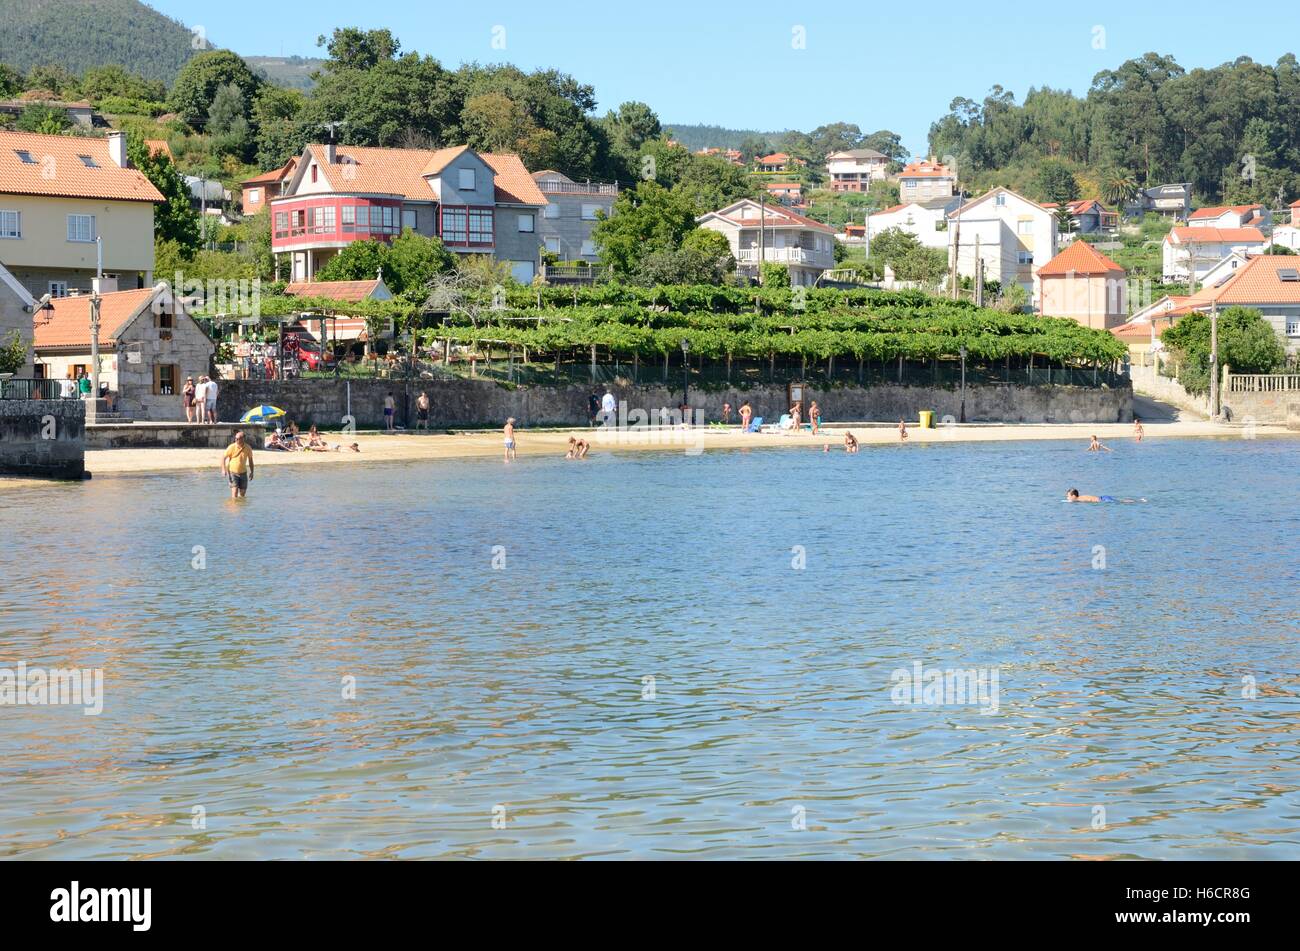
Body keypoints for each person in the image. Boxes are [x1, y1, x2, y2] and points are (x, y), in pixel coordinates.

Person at [220, 430, 254, 499]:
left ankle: (240, 507)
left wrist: (252, 472)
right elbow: (223, 458)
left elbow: (250, 460)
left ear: (243, 439)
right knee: (234, 494)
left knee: (242, 495)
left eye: (238, 438)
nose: (236, 440)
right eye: (235, 438)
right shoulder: (231, 447)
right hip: (233, 472)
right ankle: (234, 508)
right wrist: (223, 470)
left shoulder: (248, 448)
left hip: (243, 473)